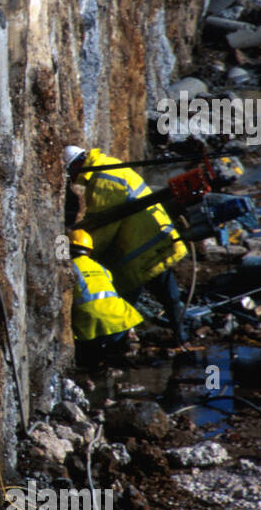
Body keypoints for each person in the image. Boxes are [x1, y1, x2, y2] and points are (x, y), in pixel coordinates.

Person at [65, 145, 188, 345]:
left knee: (121, 293)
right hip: (157, 239)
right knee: (169, 295)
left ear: (77, 164)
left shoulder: (101, 182)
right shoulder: (108, 165)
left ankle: (114, 341)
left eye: (69, 171)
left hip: (141, 247)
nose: (70, 177)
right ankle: (180, 336)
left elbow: (102, 229)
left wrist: (82, 249)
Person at [68, 230, 142, 367]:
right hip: (121, 323)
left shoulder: (68, 269)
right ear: (89, 251)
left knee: (87, 358)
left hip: (92, 330)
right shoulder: (102, 268)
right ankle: (116, 352)